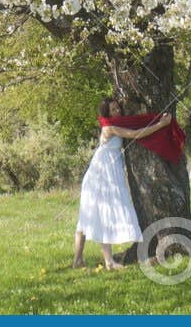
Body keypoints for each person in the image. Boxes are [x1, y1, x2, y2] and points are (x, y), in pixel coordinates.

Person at [72, 98, 173, 269]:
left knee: (93, 215)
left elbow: (133, 127)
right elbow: (135, 134)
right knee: (96, 214)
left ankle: (80, 260)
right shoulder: (109, 127)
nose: (117, 111)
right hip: (102, 173)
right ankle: (106, 261)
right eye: (113, 109)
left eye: (118, 108)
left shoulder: (115, 124)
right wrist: (161, 124)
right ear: (107, 113)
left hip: (107, 170)